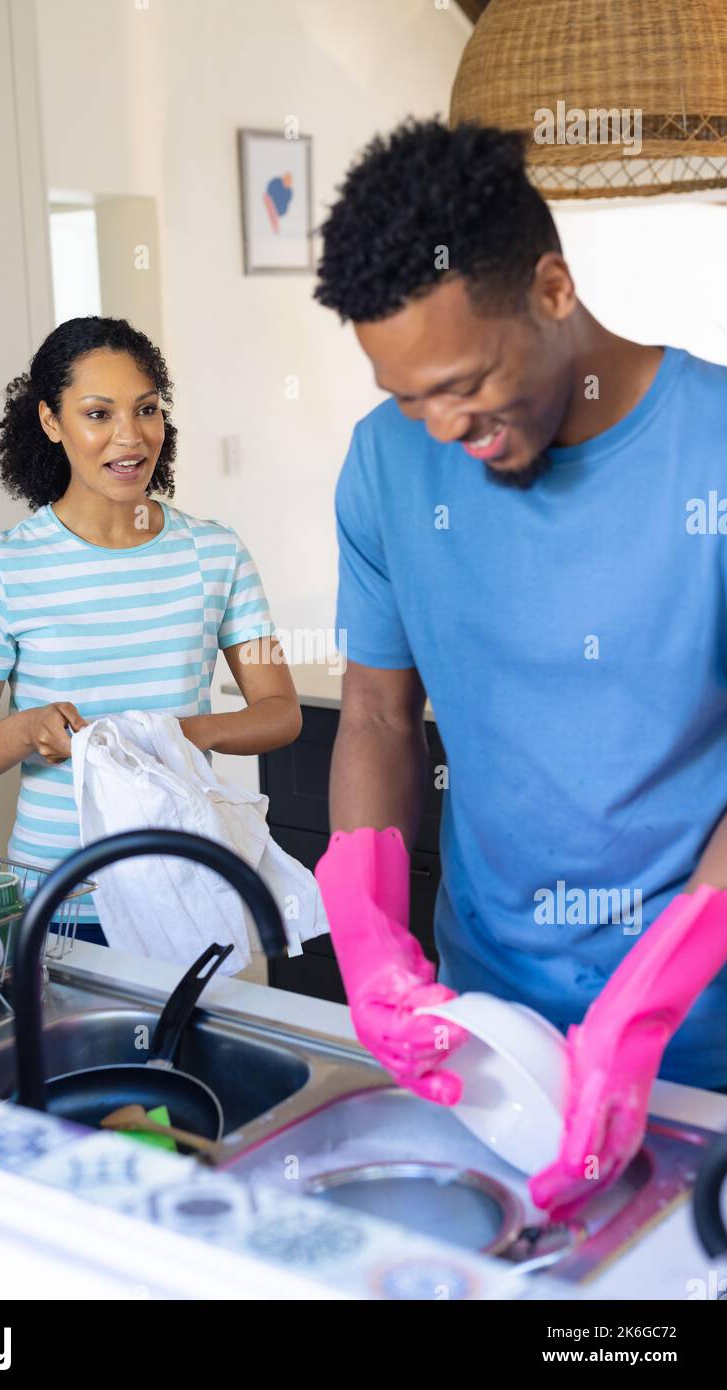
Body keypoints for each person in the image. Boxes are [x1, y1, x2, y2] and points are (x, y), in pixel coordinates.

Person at [311, 117, 727, 1211]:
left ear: (553, 289)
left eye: (467, 380)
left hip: (709, 1039)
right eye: (408, 394)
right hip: (488, 1046)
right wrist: (370, 924)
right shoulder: (385, 464)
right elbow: (378, 716)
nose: (444, 427)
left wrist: (658, 992)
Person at [0, 316, 300, 942]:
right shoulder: (3, 568)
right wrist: (28, 729)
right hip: (58, 899)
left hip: (188, 884)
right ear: (51, 422)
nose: (130, 437)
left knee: (187, 1044)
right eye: (98, 414)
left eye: (147, 409)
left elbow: (280, 712)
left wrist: (175, 734)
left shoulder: (215, 553)